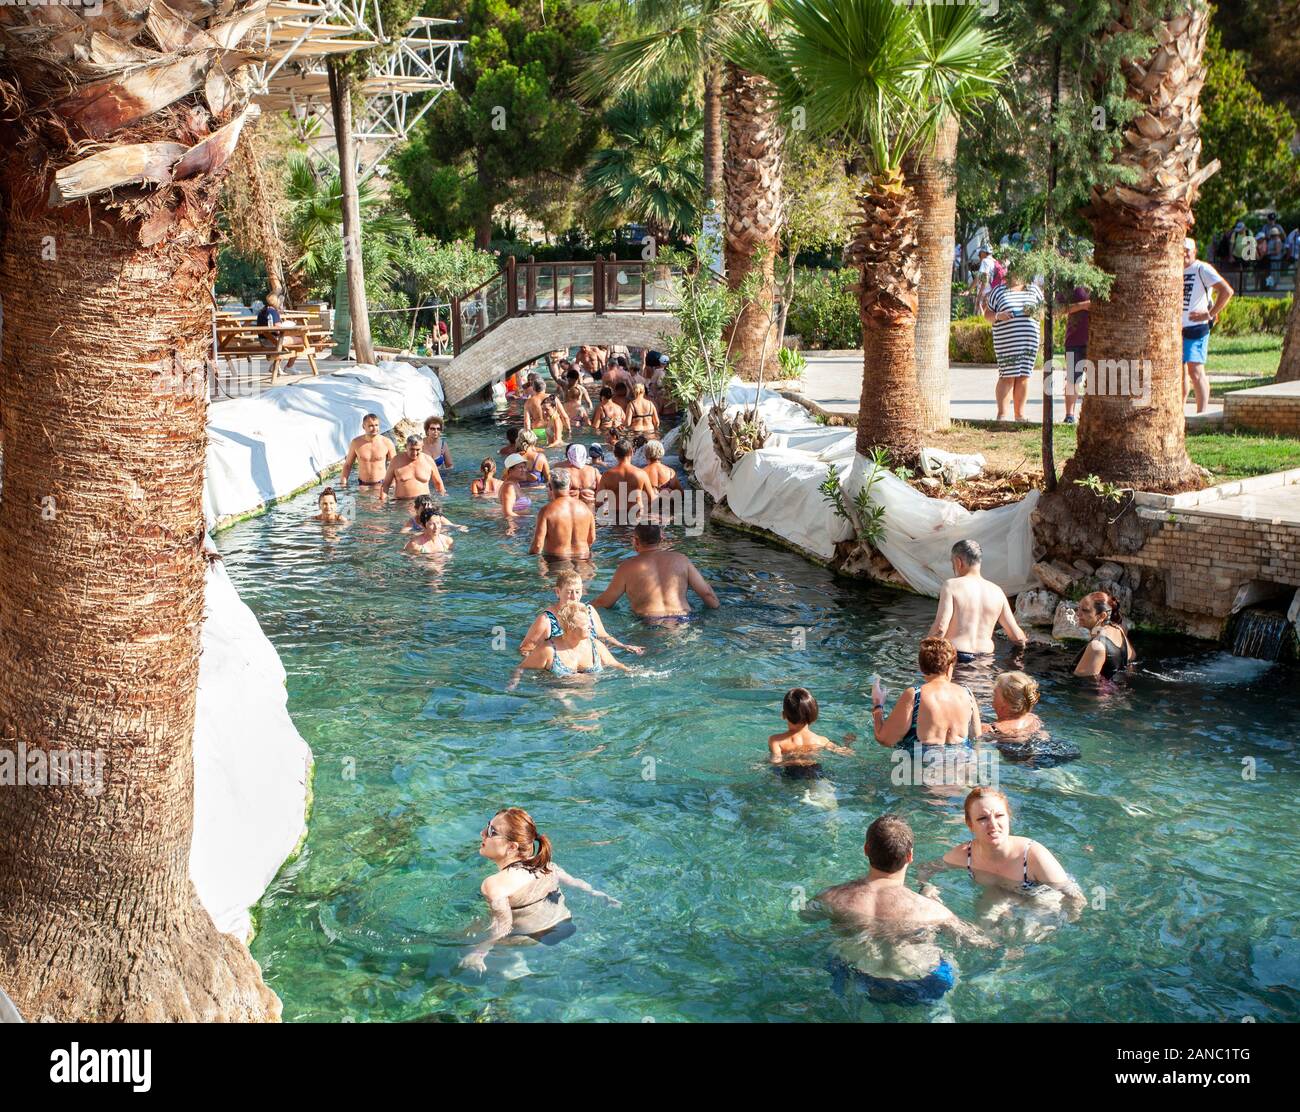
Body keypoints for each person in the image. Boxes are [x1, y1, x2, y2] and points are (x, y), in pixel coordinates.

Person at [814, 815, 993, 1006]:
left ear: (866, 850)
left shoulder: (832, 896)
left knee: (837, 951)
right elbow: (975, 942)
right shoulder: (933, 911)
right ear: (910, 856)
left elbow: (807, 916)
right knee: (947, 962)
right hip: (922, 981)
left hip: (861, 976)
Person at [460, 807, 620, 972]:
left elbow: (503, 926)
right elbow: (578, 884)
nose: (482, 833)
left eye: (491, 831)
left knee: (464, 940)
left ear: (512, 847)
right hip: (566, 924)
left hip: (532, 937)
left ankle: (515, 966)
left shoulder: (494, 884)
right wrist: (601, 895)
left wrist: (479, 952)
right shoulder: (546, 865)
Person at [917, 787, 1085, 910]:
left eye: (999, 815)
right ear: (970, 825)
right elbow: (926, 868)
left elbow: (1075, 898)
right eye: (983, 818)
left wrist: (1070, 920)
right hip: (998, 898)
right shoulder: (964, 855)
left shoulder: (1033, 855)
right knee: (984, 921)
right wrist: (926, 888)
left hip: (1038, 900)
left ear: (1008, 817)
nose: (993, 825)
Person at [871, 637, 983, 749]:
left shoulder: (915, 695)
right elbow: (977, 739)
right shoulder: (967, 694)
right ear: (950, 667)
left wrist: (878, 705)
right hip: (964, 764)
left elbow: (885, 740)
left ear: (921, 667)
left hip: (924, 765)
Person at [592, 523, 720, 618]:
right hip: (683, 619)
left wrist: (581, 608)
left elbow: (605, 602)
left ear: (635, 541)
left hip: (649, 623)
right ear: (662, 538)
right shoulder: (681, 560)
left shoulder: (626, 567)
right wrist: (716, 612)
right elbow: (707, 593)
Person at [927, 539, 1027, 660]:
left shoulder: (951, 585)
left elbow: (940, 627)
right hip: (986, 659)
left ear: (958, 562)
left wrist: (924, 652)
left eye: (952, 563)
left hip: (956, 657)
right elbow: (1018, 637)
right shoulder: (997, 591)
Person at [519, 569, 644, 657]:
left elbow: (603, 636)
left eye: (578, 592)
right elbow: (525, 649)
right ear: (557, 592)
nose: (574, 597)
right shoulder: (546, 620)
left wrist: (624, 646)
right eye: (569, 592)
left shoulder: (589, 611)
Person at [984, 260, 1044, 421]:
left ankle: (1020, 415)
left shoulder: (1034, 290)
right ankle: (1002, 415)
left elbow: (1042, 314)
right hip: (1007, 342)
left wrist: (1033, 311)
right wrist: (999, 315)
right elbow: (987, 315)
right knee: (1007, 376)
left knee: (1024, 376)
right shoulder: (998, 291)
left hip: (1029, 340)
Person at [1181, 236, 1233, 414]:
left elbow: (1227, 291)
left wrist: (1209, 314)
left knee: (1195, 372)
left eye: (1187, 250)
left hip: (1196, 328)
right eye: (1180, 249)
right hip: (1176, 330)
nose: (1184, 253)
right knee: (1180, 375)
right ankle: (1178, 413)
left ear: (1194, 251)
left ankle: (1202, 414)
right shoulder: (1173, 269)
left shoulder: (1202, 268)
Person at [517, 600, 631, 677]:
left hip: (590, 695)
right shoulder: (548, 650)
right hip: (557, 692)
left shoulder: (596, 646)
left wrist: (634, 672)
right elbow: (520, 670)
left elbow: (617, 665)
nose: (591, 626)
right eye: (585, 623)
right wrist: (513, 685)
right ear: (571, 628)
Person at [768, 687, 853, 770]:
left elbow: (776, 763)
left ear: (783, 715)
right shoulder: (821, 740)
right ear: (813, 716)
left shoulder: (776, 741)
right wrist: (847, 742)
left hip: (791, 773)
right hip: (815, 770)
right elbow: (846, 753)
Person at [529, 470, 596, 558]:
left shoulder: (546, 511)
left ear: (549, 486)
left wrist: (527, 557)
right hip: (584, 557)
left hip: (557, 560)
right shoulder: (585, 508)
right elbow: (591, 539)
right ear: (570, 485)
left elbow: (537, 546)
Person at [1072, 590, 1134, 678]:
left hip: (1102, 691)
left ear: (1102, 616)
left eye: (1085, 610)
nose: (1078, 614)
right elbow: (1131, 657)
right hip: (1116, 687)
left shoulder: (1096, 646)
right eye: (1078, 608)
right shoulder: (1118, 629)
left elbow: (1083, 684)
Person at [596, 439, 656, 524]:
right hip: (637, 514)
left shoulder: (607, 475)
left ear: (615, 454)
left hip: (616, 516)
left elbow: (598, 502)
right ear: (632, 452)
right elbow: (652, 499)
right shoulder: (641, 474)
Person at [1058, 283, 1091, 425]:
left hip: (1099, 339)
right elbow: (1059, 309)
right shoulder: (1070, 282)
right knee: (1073, 379)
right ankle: (1069, 415)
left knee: (1097, 380)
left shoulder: (1105, 274)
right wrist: (1083, 305)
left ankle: (1091, 415)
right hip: (1075, 340)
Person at [380, 434, 445, 501]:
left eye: (417, 449)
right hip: (402, 504)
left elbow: (438, 483)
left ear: (422, 447)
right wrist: (382, 503)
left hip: (423, 504)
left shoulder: (428, 460)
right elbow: (386, 485)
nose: (414, 453)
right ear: (406, 447)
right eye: (411, 449)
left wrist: (442, 501)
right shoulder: (396, 461)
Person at [340, 413, 396, 487]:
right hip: (362, 485)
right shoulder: (356, 443)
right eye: (371, 426)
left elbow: (395, 465)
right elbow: (348, 465)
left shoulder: (387, 442)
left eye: (376, 425)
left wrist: (393, 484)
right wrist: (343, 483)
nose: (375, 428)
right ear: (363, 426)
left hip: (381, 484)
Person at [256, 291, 304, 370]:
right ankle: (289, 366)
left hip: (263, 340)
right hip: (273, 341)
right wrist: (287, 325)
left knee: (289, 342)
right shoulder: (273, 312)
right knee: (301, 340)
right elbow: (277, 329)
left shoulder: (262, 311)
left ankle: (275, 366)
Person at [986, 671, 1043, 737]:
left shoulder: (991, 729)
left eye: (995, 693)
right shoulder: (1033, 719)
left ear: (1004, 701)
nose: (993, 696)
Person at [498, 453, 534, 521]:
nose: (524, 470)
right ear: (510, 470)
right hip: (517, 527)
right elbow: (507, 513)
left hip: (521, 525)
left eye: (524, 467)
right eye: (521, 467)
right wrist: (532, 518)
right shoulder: (509, 487)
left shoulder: (515, 484)